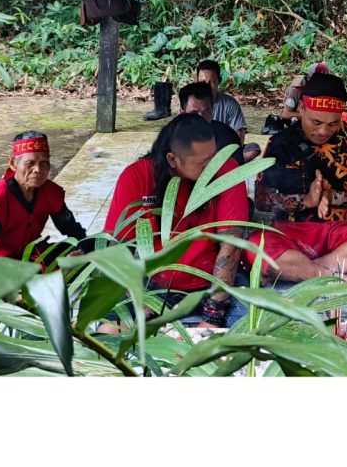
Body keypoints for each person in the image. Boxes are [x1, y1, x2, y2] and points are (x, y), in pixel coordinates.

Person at [248, 72, 347, 281]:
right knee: (255, 246)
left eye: (333, 124)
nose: (323, 131)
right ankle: (342, 279)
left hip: (339, 233)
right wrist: (306, 201)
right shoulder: (281, 143)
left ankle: (306, 271)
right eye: (316, 122)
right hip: (292, 232)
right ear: (301, 109)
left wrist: (331, 196)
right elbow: (262, 200)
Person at [104, 114, 249, 328]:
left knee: (246, 329)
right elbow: (118, 250)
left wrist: (213, 314)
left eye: (214, 157)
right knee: (109, 328)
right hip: (153, 286)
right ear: (173, 160)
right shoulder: (137, 176)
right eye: (202, 163)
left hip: (210, 285)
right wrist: (140, 301)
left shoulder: (226, 170)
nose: (212, 167)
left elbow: (231, 246)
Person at [0, 131, 90, 263]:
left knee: (82, 249)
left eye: (44, 163)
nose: (37, 169)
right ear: (14, 164)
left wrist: (81, 250)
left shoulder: (50, 191)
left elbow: (72, 228)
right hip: (0, 261)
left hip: (31, 253)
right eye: (30, 163)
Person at [178, 81, 245, 166]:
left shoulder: (228, 138)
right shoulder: (171, 137)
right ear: (182, 114)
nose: (201, 119)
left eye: (206, 112)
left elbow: (235, 174)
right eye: (194, 113)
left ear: (212, 110)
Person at [196, 59, 247, 142]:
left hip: (223, 149)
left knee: (253, 148)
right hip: (196, 149)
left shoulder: (230, 104)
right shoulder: (189, 103)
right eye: (202, 82)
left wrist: (234, 152)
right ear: (196, 81)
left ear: (219, 81)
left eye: (212, 82)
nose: (207, 86)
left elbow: (239, 134)